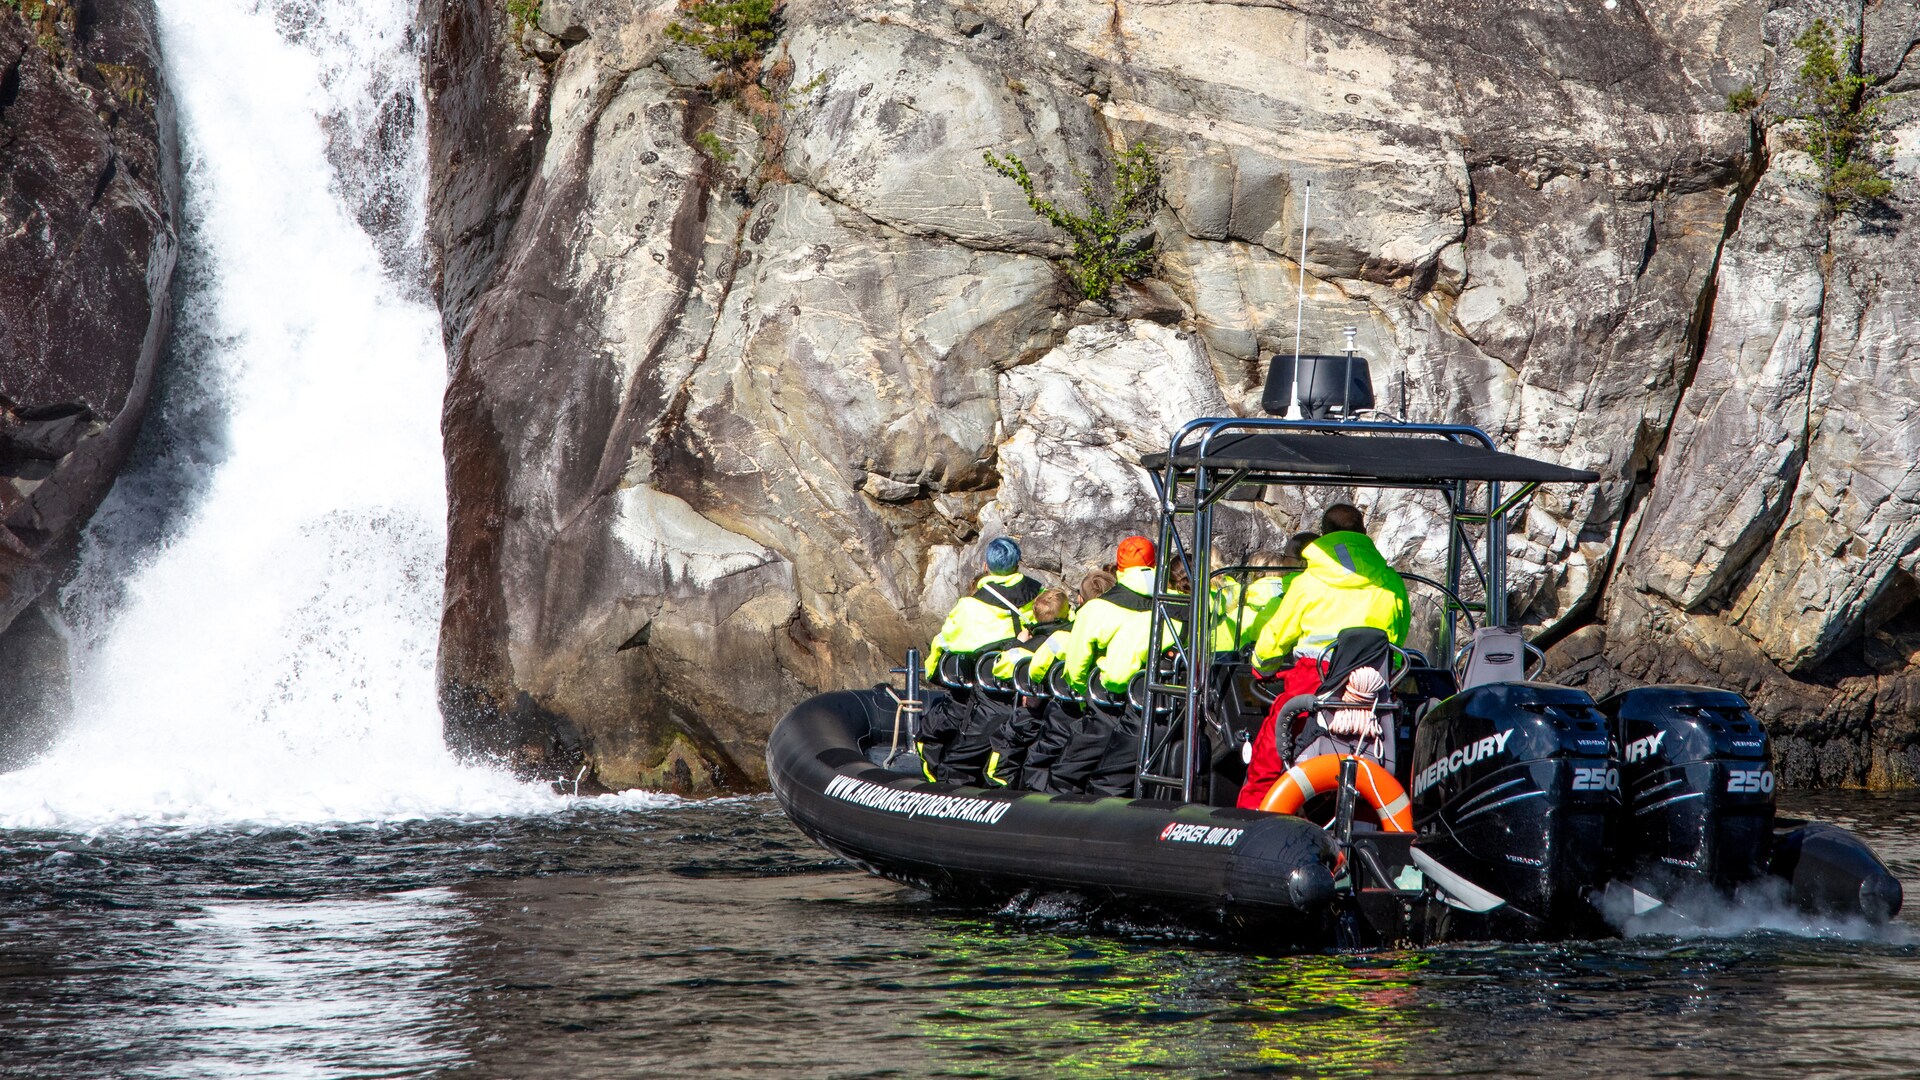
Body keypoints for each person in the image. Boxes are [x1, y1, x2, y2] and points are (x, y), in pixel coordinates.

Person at [1240, 505, 1410, 808]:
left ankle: (1254, 820)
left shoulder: (1308, 583)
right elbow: (1397, 640)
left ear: (1324, 531)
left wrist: (1261, 668)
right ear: (1363, 531)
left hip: (1312, 688)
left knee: (1268, 757)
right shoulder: (1392, 583)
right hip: (1372, 697)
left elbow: (1273, 640)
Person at [917, 537, 1041, 781]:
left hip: (987, 688)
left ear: (986, 566)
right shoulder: (1040, 594)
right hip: (1028, 686)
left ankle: (939, 789)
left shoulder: (970, 606)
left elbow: (950, 641)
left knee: (944, 743)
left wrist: (933, 672)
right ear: (1019, 564)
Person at [922, 537, 1041, 680]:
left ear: (985, 567)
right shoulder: (1043, 597)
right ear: (1017, 566)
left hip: (987, 684)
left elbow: (945, 641)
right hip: (1029, 681)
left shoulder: (967, 607)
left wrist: (930, 672)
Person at [1061, 536, 1158, 696]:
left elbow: (1076, 666)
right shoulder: (1174, 601)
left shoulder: (1094, 609)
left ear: (1119, 568)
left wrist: (1085, 691)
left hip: (1106, 696)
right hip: (1160, 698)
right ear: (1154, 564)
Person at [1235, 533, 1318, 650]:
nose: (1282, 562)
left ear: (1302, 564)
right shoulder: (1336, 590)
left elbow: (1262, 643)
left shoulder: (1283, 600)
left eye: (1285, 557)